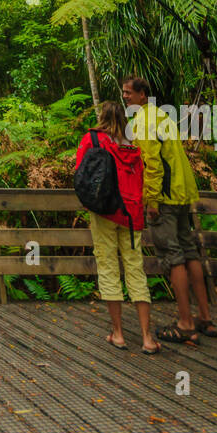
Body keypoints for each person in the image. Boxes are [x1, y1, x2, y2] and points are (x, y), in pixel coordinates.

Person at [121, 75, 217, 346]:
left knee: (172, 256)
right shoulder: (163, 117)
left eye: (129, 93)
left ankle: (186, 323)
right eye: (124, 93)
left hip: (163, 198)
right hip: (181, 194)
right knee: (190, 252)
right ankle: (205, 317)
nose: (126, 97)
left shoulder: (142, 121)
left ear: (143, 95)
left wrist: (150, 200)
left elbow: (151, 163)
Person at [75, 100, 161, 354]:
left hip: (104, 212)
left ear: (101, 116)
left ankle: (119, 334)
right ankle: (146, 338)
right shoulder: (132, 145)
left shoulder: (92, 140)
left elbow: (81, 174)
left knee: (108, 268)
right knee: (136, 270)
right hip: (132, 214)